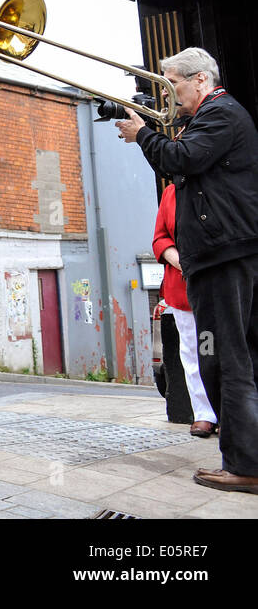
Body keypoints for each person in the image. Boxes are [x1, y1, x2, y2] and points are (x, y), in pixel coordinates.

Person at [116, 47, 258, 493]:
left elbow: (181, 160)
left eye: (173, 83)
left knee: (226, 362)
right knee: (237, 359)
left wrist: (142, 135)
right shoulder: (213, 117)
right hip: (225, 254)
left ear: (200, 81)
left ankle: (244, 465)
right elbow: (181, 157)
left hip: (223, 256)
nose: (170, 93)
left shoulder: (220, 114)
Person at [152, 182, 217, 437]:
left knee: (219, 351)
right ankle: (203, 414)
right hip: (182, 286)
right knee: (192, 351)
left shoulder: (220, 183)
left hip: (218, 283)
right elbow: (160, 238)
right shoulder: (170, 193)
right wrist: (181, 262)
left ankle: (227, 413)